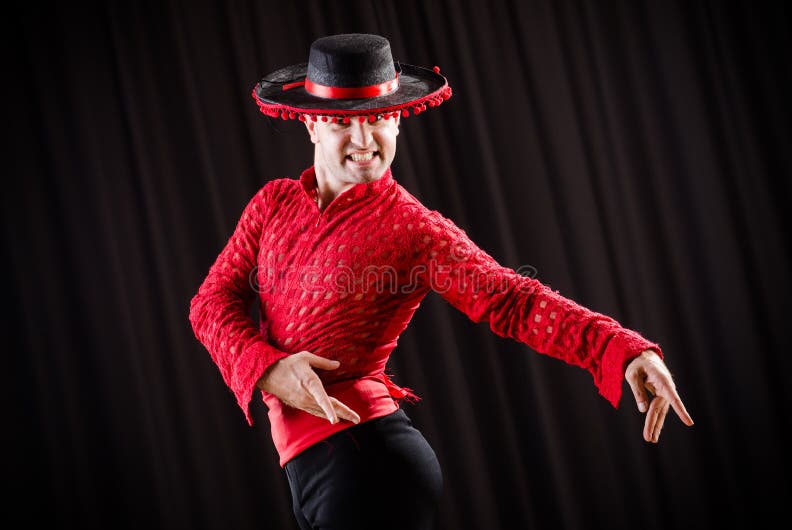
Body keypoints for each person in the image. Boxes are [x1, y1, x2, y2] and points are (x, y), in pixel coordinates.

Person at [188, 33, 693, 530]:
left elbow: (512, 300)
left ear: (399, 120)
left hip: (369, 469)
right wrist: (268, 368)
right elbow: (210, 302)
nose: (364, 141)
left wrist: (619, 348)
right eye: (342, 121)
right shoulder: (273, 203)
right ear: (311, 125)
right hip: (310, 471)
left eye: (379, 118)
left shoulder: (414, 228)